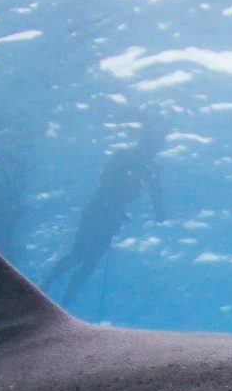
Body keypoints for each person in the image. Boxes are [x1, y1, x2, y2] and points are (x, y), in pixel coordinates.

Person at [42, 117, 167, 305]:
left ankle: (63, 302)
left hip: (112, 216)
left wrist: (158, 210)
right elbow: (106, 179)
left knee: (90, 261)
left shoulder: (150, 167)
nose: (155, 147)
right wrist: (152, 205)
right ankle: (45, 288)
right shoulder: (126, 156)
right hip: (99, 210)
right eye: (154, 141)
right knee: (78, 254)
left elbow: (156, 192)